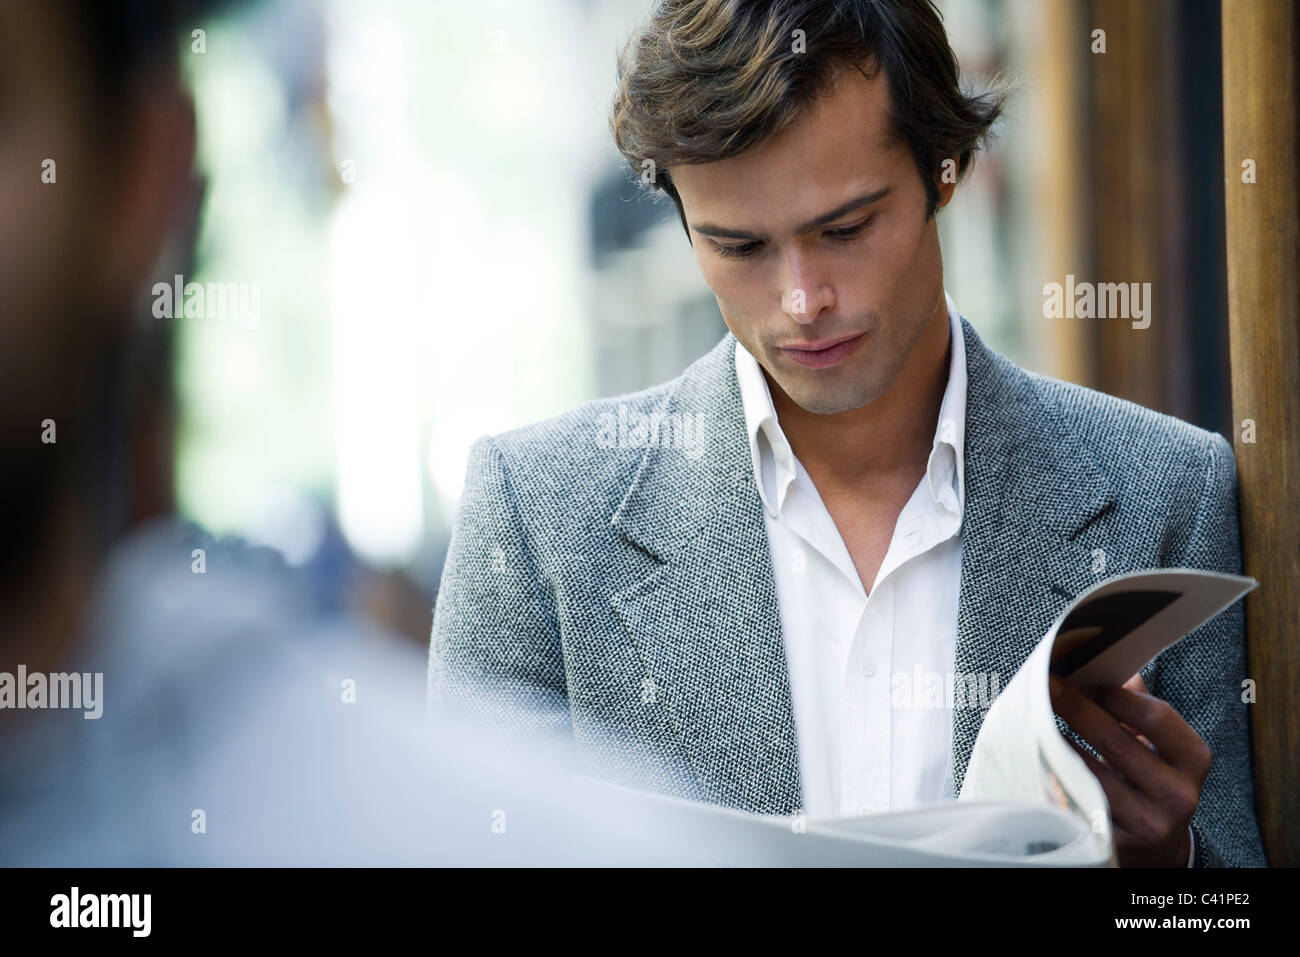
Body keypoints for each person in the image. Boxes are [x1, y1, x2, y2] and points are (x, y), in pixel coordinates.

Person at [429, 0, 1266, 867]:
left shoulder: (1169, 492)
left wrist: (1174, 864)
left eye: (845, 229)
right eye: (740, 247)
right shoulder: (534, 521)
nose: (802, 301)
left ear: (947, 172)